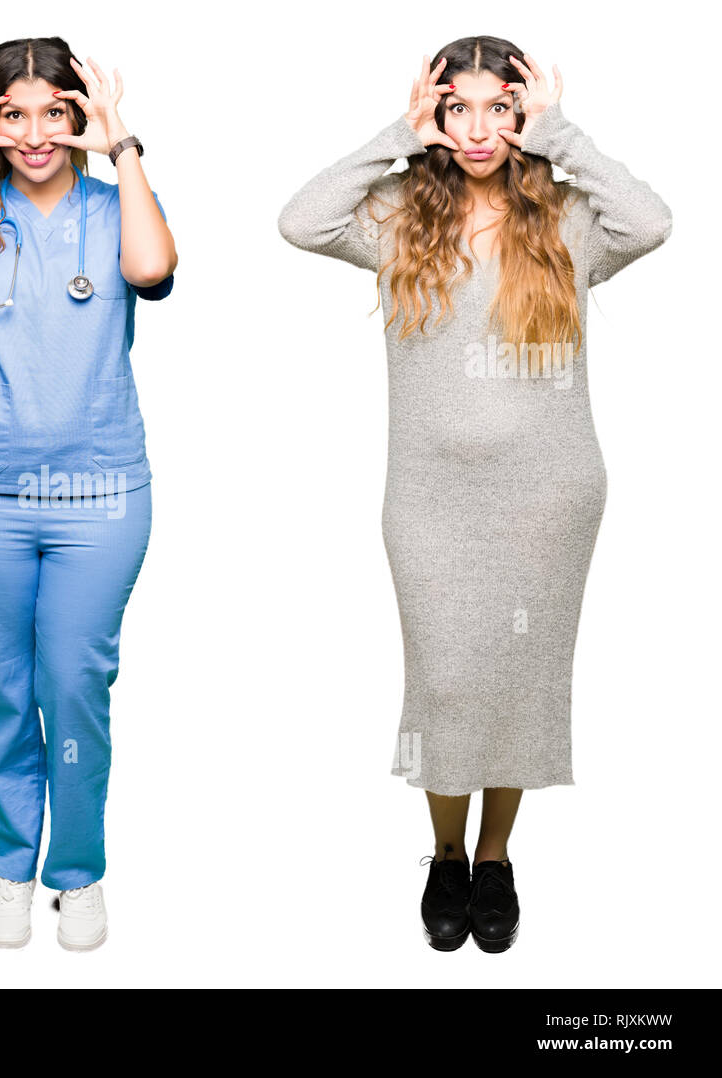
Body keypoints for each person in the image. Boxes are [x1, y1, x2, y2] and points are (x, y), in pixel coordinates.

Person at [278, 37, 670, 952]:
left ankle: (494, 859)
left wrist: (565, 135)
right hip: (428, 501)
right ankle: (444, 853)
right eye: (461, 107)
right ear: (437, 113)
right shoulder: (397, 218)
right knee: (450, 682)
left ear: (528, 113)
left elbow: (651, 222)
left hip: (550, 499)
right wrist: (396, 133)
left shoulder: (570, 224)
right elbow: (300, 220)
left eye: (504, 107)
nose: (483, 128)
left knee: (519, 687)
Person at [0, 36, 176, 951]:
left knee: (75, 680)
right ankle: (9, 865)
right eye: (9, 115)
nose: (33, 134)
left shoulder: (113, 202)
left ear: (79, 116)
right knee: (4, 687)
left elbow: (150, 271)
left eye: (54, 112)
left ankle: (78, 872)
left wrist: (121, 141)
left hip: (100, 493)